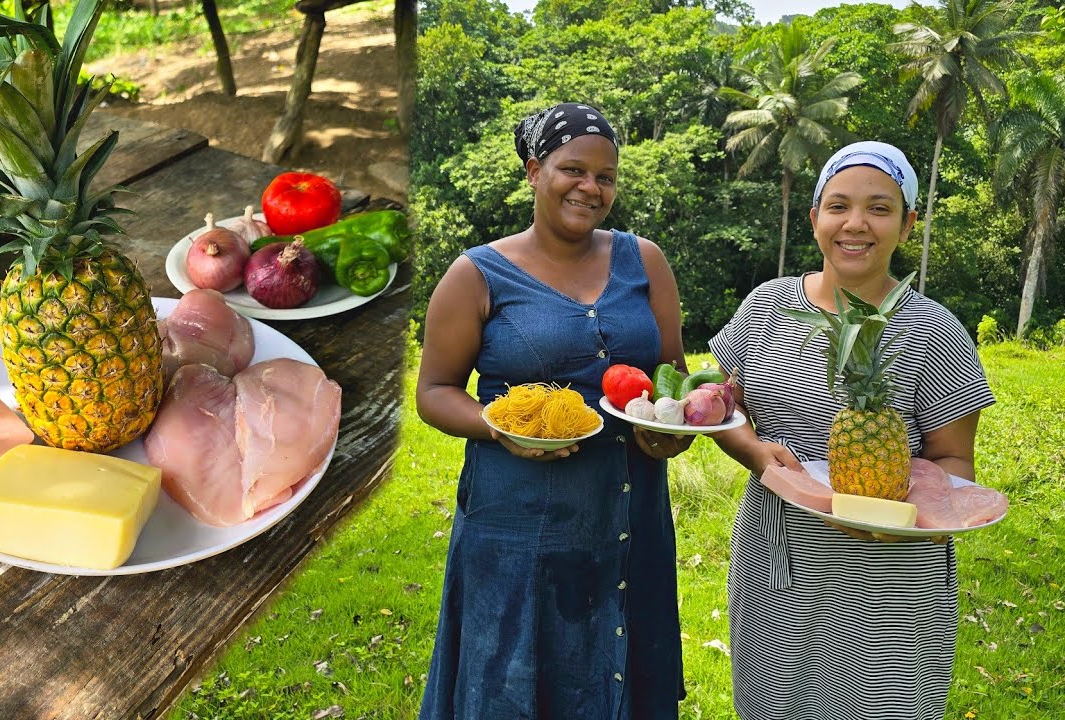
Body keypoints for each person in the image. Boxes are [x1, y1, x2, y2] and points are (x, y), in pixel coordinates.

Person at [415, 102, 691, 719]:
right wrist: (495, 425)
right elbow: (433, 390)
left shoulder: (643, 261)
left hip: (625, 514)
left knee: (624, 679)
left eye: (606, 176)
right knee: (513, 688)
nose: (591, 187)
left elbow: (669, 376)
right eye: (573, 169)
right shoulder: (477, 274)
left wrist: (670, 434)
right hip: (515, 526)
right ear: (535, 170)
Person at [708, 140, 996, 720]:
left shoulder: (934, 330)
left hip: (894, 577)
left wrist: (914, 522)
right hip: (776, 568)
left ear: (909, 224)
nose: (855, 224)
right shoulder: (766, 307)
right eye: (838, 205)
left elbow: (955, 464)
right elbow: (719, 408)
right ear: (814, 217)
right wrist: (756, 455)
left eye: (880, 208)